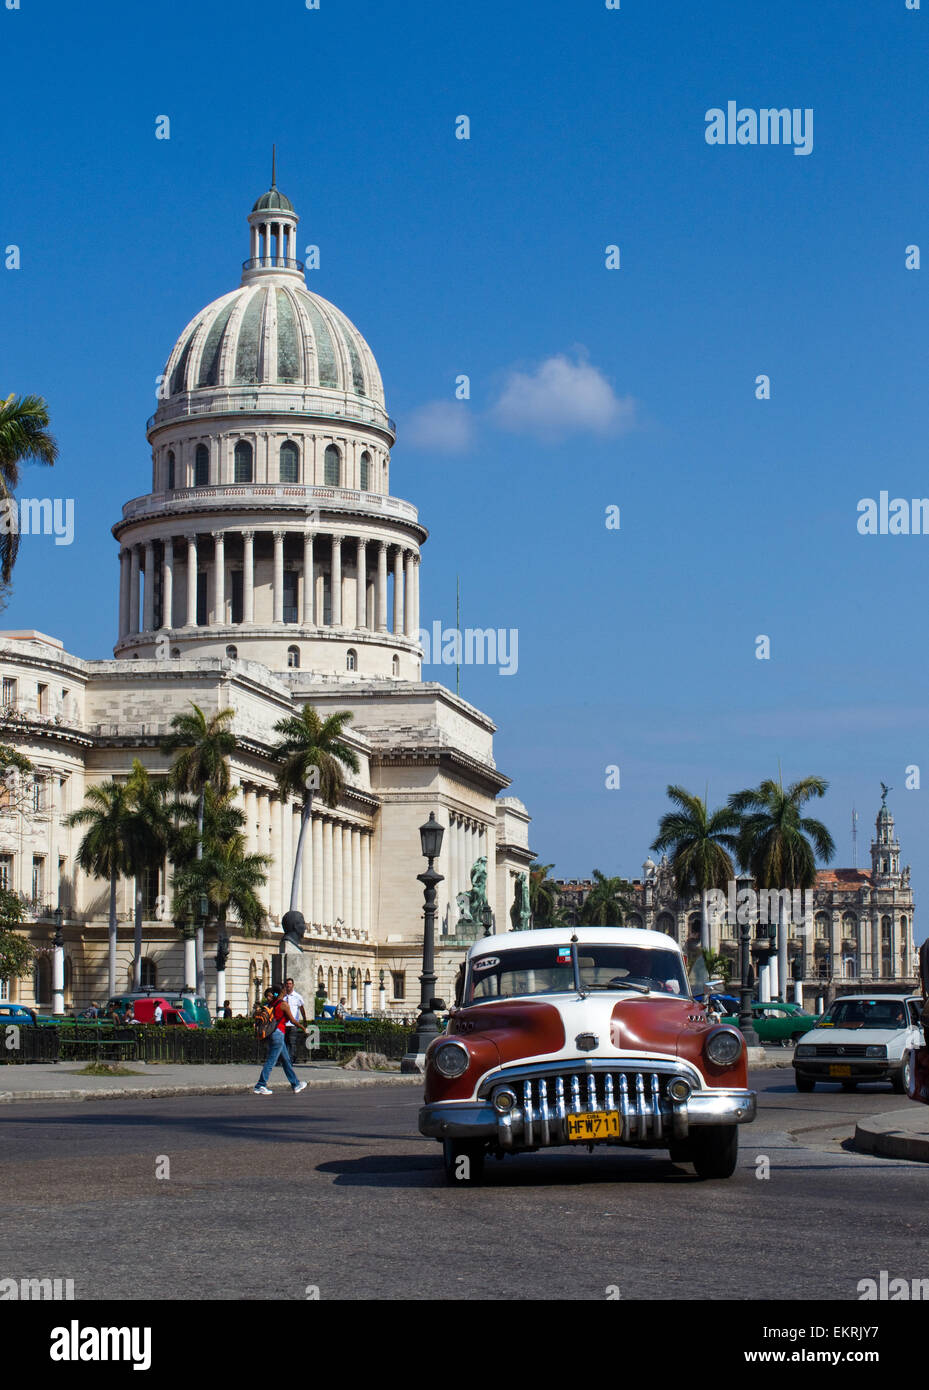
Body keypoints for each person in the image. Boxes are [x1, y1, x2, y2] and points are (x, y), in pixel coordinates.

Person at [253, 986, 308, 1096]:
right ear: (281, 992)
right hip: (278, 1033)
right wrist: (303, 1028)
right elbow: (292, 1020)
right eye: (284, 990)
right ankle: (260, 1085)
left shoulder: (272, 1004)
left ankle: (295, 1084)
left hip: (272, 1033)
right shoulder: (283, 1004)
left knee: (286, 1060)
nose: (286, 991)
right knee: (271, 1060)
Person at [282, 977, 307, 1063]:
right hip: (284, 1024)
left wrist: (304, 1019)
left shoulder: (297, 996)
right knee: (284, 1043)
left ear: (293, 985)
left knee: (292, 1042)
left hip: (293, 1024)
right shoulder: (283, 997)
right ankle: (285, 1059)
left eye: (290, 984)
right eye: (287, 984)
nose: (288, 986)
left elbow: (302, 1009)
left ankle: (290, 1059)